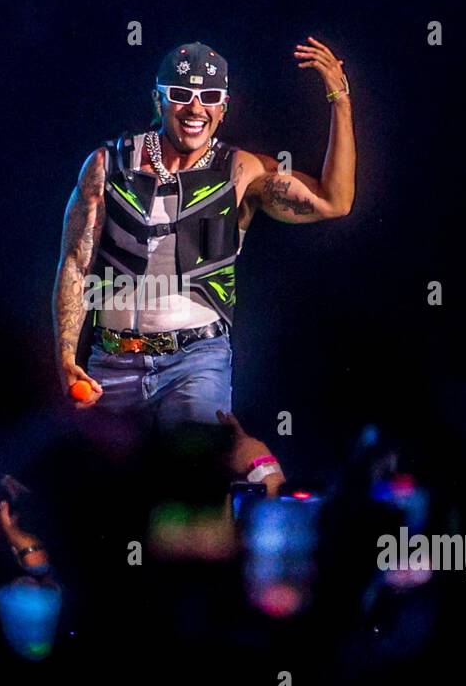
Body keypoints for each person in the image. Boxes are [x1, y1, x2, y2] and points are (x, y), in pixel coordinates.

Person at [52, 39, 356, 435]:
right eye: (181, 95)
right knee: (107, 490)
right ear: (158, 101)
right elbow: (75, 263)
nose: (196, 108)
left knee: (194, 473)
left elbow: (334, 201)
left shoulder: (240, 170)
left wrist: (340, 99)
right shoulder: (109, 164)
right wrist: (64, 355)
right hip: (112, 365)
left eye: (209, 96)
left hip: (196, 362)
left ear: (224, 106)